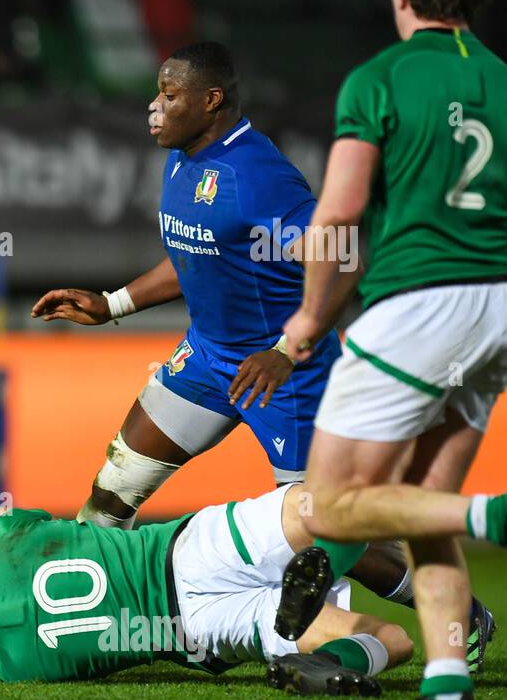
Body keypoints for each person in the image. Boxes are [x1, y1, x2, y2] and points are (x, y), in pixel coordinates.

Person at [30, 41, 414, 614]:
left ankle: (457, 614)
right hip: (207, 359)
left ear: (211, 100)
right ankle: (88, 619)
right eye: (157, 93)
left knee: (321, 530)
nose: (155, 107)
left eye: (169, 95)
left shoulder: (257, 176)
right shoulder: (183, 159)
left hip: (286, 376)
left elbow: (343, 257)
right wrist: (113, 304)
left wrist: (286, 350)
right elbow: (197, 252)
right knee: (114, 490)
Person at [279, 0, 503, 700]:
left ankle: (492, 516)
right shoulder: (502, 77)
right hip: (498, 310)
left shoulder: (380, 77)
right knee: (420, 510)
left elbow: (339, 214)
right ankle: (447, 695)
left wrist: (309, 321)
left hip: (419, 302)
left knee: (331, 508)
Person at [0, 483, 413, 695]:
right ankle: (328, 560)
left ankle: (333, 660)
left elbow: (3, 614)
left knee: (394, 640)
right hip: (185, 554)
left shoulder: (14, 669)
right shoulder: (5, 542)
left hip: (195, 632)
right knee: (321, 505)